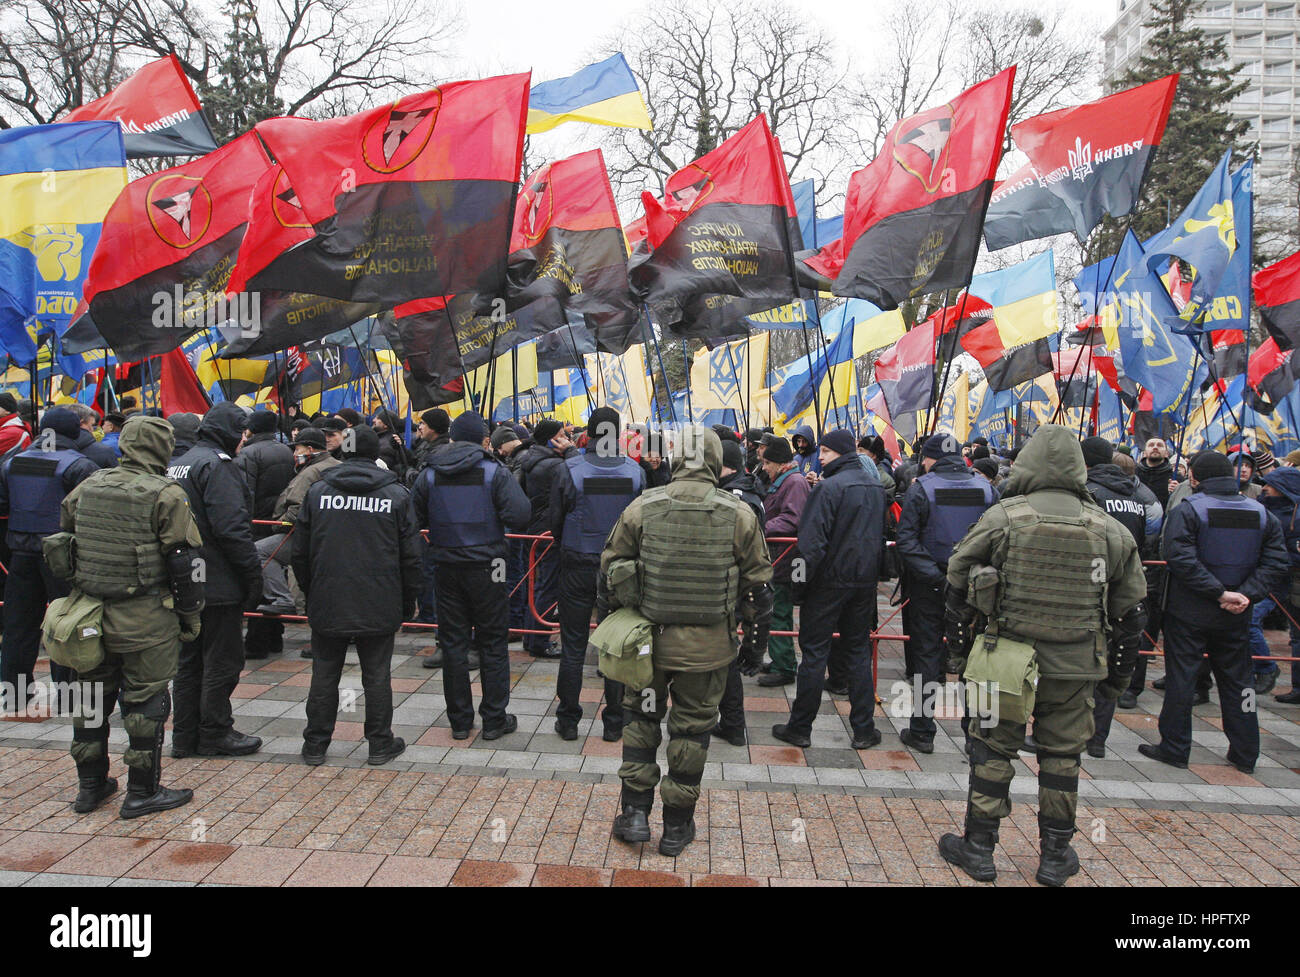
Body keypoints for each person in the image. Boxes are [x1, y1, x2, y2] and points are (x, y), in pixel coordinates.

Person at [939, 425, 1147, 887]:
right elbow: (1131, 611)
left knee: (992, 749)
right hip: (1075, 663)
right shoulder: (1109, 529)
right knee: (1062, 757)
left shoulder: (1004, 518)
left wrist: (956, 653)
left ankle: (978, 850)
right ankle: (1055, 856)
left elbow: (955, 576)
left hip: (1005, 660)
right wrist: (1118, 679)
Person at [607, 426, 771, 856]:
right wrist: (752, 650)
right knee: (691, 732)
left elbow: (610, 570)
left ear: (678, 458)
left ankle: (636, 814)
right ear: (717, 461)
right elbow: (759, 591)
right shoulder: (739, 514)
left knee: (641, 722)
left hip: (647, 649)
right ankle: (677, 827)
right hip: (708, 652)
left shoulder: (643, 506)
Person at [57, 415, 204, 817]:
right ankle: (142, 792)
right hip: (144, 615)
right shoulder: (166, 493)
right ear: (161, 447)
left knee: (89, 698)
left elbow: (65, 539)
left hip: (88, 613)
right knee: (146, 700)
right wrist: (191, 612)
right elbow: (184, 559)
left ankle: (90, 787)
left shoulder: (90, 484)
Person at [1141, 451, 1288, 776]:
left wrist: (1219, 592)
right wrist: (1244, 594)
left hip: (1188, 611)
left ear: (1194, 478)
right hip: (1236, 614)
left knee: (1182, 679)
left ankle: (1175, 747)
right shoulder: (1261, 513)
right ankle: (1246, 750)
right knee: (1240, 683)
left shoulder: (1188, 510)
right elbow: (1277, 561)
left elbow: (1178, 556)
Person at [291, 425, 421, 765]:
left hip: (328, 594)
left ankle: (315, 744)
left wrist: (310, 590)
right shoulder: (396, 495)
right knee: (377, 674)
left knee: (324, 672)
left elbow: (299, 552)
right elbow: (411, 556)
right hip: (379, 596)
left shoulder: (318, 491)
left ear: (344, 452)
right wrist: (408, 600)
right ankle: (379, 743)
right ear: (375, 454)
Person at [413, 411, 531, 739]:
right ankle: (494, 719)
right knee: (493, 642)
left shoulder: (430, 474)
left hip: (446, 567)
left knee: (453, 644)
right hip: (489, 566)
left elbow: (413, 516)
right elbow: (520, 514)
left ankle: (460, 722)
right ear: (483, 440)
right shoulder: (495, 472)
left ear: (452, 438)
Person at [773, 429, 885, 751]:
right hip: (862, 583)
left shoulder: (829, 488)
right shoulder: (874, 486)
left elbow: (810, 545)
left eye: (824, 452)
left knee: (814, 654)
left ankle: (800, 727)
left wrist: (798, 585)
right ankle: (864, 729)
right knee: (858, 652)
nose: (819, 457)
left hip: (827, 583)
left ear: (839, 452)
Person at [167, 402, 265, 758]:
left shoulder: (179, 462)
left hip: (185, 576)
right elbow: (231, 529)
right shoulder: (217, 466)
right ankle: (214, 731)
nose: (243, 440)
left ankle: (184, 735)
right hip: (217, 578)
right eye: (241, 432)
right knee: (221, 659)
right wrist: (252, 575)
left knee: (189, 660)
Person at [894, 432, 997, 755]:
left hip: (932, 586)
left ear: (930, 458)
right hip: (977, 588)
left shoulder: (921, 488)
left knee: (927, 657)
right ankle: (976, 734)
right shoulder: (987, 489)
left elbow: (906, 541)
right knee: (977, 659)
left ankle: (922, 731)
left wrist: (938, 578)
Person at [549, 407, 645, 742]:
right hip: (618, 569)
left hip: (577, 561)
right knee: (615, 647)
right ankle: (615, 722)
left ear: (588, 434)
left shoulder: (570, 469)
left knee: (573, 646)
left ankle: (569, 720)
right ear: (617, 435)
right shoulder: (634, 471)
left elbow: (555, 520)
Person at [0, 407, 99, 706]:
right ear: (74, 432)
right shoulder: (80, 465)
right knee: (66, 625)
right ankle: (69, 696)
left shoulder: (11, 463)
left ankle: (14, 695)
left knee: (19, 626)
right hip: (63, 556)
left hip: (20, 553)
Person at [1081, 437, 1161, 758]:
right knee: (1113, 664)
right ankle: (1098, 739)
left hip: (1091, 587)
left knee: (1085, 662)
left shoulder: (1089, 493)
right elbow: (1149, 536)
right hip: (1125, 588)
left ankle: (1077, 730)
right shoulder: (1136, 495)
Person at [713, 438, 773, 746]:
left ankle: (733, 724)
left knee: (723, 657)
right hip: (737, 586)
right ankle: (731, 723)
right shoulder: (746, 490)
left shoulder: (735, 498)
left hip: (732, 587)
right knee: (723, 656)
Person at [255, 428, 340, 617]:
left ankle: (282, 599)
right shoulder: (336, 465)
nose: (295, 454)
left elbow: (296, 509)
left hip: (304, 535)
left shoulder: (311, 472)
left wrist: (278, 525)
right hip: (331, 535)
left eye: (297, 449)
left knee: (259, 551)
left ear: (310, 449)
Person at [516, 418, 575, 658]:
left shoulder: (530, 459)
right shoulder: (554, 465)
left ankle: (532, 638)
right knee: (548, 586)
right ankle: (540, 641)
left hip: (535, 528)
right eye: (562, 435)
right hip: (549, 532)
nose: (567, 439)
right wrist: (571, 453)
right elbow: (577, 479)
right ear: (551, 438)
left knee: (538, 585)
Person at [758, 435, 810, 687]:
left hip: (785, 559)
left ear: (779, 462)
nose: (764, 468)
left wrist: (760, 527)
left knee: (780, 612)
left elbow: (792, 519)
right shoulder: (786, 480)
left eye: (767, 463)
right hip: (779, 557)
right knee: (775, 611)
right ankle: (780, 659)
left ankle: (785, 666)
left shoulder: (794, 482)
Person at [1252, 467, 1300, 698]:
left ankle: (1268, 669)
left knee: (1296, 635)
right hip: (1265, 579)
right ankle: (1263, 668)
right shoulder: (1261, 508)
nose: (1264, 487)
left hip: (1286, 581)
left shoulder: (1295, 515)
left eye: (1270, 484)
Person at [237, 410, 295, 530]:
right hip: (279, 515)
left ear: (252, 428)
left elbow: (246, 492)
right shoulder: (287, 450)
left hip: (256, 520)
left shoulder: (248, 453)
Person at [68, 403, 118, 469]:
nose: (92, 429)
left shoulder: (52, 447)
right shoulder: (104, 451)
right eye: (92, 425)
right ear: (81, 423)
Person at [1136, 437, 1176, 509]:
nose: (1155, 447)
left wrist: (1177, 491)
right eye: (1151, 445)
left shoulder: (1175, 477)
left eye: (1159, 445)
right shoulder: (1133, 474)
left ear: (1166, 453)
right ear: (1144, 453)